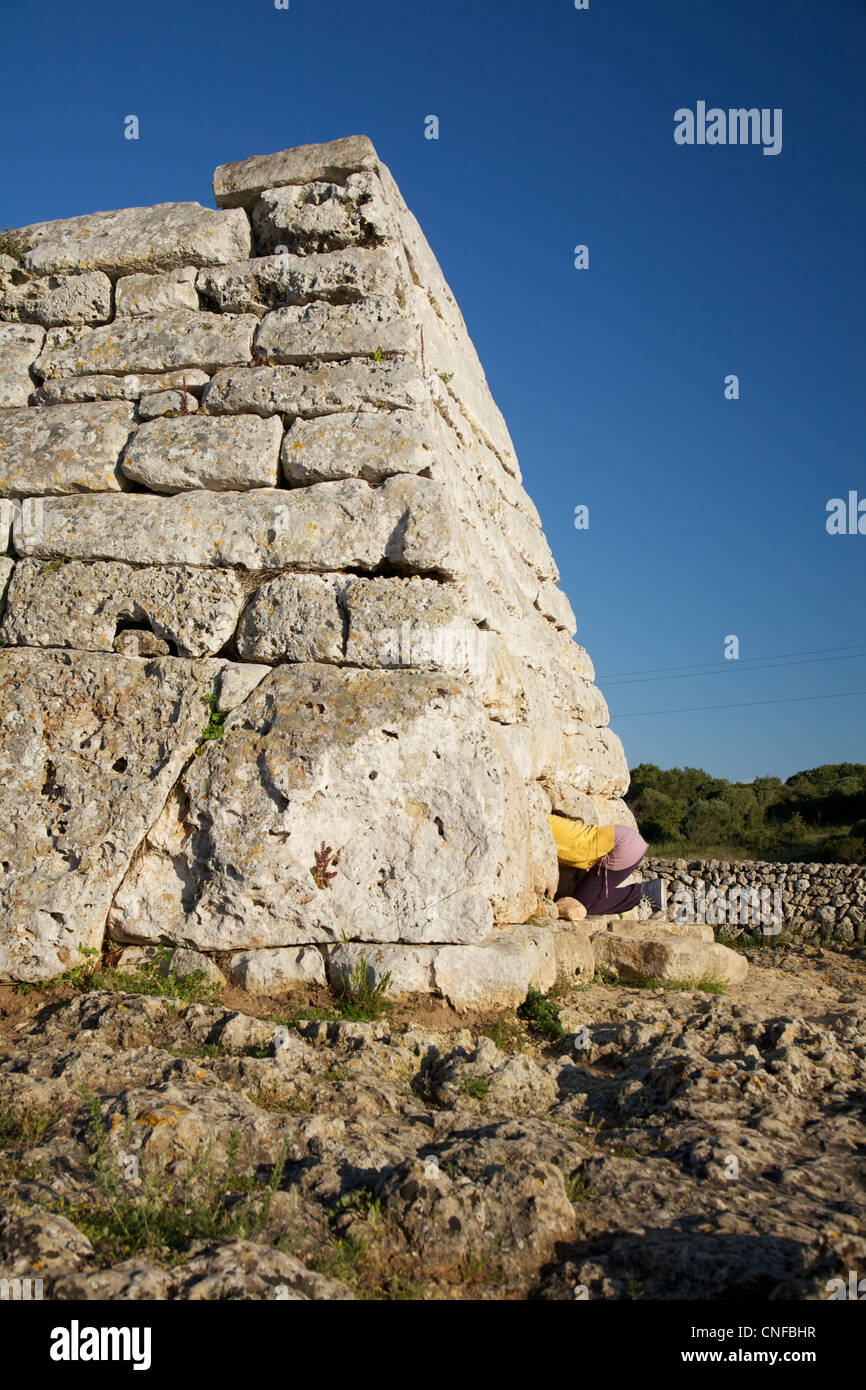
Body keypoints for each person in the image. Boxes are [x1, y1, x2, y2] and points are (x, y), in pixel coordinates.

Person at [549, 812, 666, 920]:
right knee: (579, 901)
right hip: (625, 839)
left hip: (621, 845)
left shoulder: (541, 823)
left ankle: (645, 891)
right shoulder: (547, 820)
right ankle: (644, 891)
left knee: (582, 903)